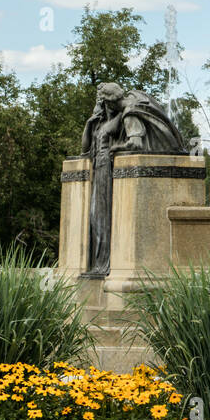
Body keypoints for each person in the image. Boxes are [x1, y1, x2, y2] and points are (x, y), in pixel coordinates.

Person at [81, 83, 186, 276]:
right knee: (97, 217)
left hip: (106, 168)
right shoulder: (116, 113)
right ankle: (100, 263)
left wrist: (116, 148)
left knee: (101, 217)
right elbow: (85, 149)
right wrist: (90, 124)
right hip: (100, 167)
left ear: (109, 102)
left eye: (102, 103)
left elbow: (135, 143)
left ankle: (102, 264)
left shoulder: (129, 112)